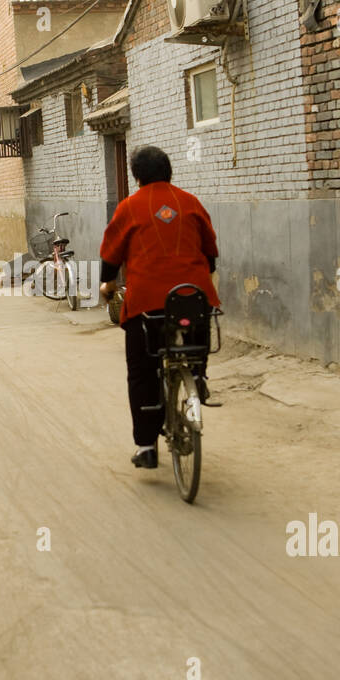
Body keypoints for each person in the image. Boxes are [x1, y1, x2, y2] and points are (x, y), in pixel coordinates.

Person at [99, 145, 220, 470]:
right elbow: (210, 254)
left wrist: (107, 287)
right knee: (193, 343)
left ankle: (146, 447)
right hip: (192, 297)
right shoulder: (190, 202)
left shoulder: (130, 207)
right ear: (169, 171)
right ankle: (198, 375)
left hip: (147, 305)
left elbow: (110, 256)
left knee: (141, 370)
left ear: (136, 176)